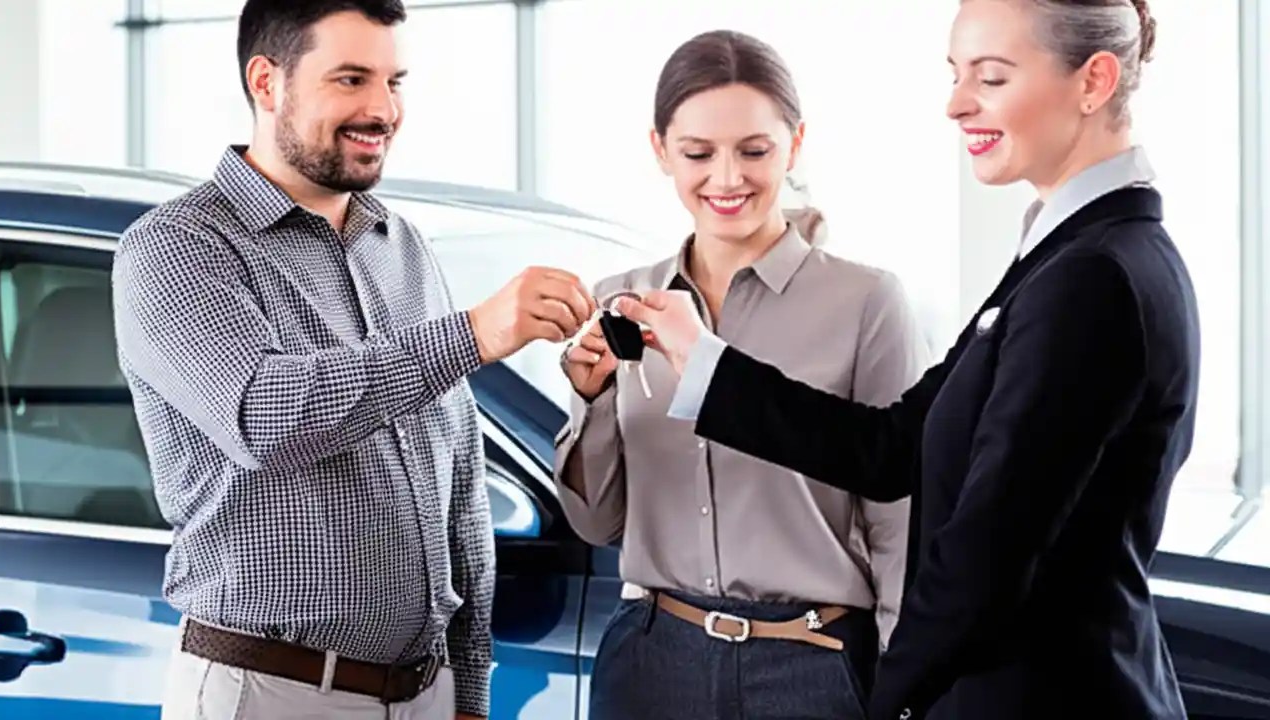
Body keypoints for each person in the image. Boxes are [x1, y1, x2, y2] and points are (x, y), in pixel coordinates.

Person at [618, 2, 1196, 719]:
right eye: (957, 75)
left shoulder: (1092, 276)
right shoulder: (1067, 255)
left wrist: (884, 699)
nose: (957, 104)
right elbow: (891, 447)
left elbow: (985, 556)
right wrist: (701, 358)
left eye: (991, 77)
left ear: (1094, 81)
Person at [111, 2, 594, 718]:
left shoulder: (401, 245)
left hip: (425, 692)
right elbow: (266, 419)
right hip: (270, 692)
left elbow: (459, 474)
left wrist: (469, 684)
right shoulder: (176, 247)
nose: (384, 110)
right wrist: (471, 335)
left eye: (394, 81)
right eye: (351, 79)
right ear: (267, 82)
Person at [554, 29, 928, 720]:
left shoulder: (866, 302)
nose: (727, 179)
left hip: (813, 667)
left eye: (754, 151)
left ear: (796, 142)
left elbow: (901, 521)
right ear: (660, 150)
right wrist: (592, 399)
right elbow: (596, 522)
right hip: (651, 662)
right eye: (698, 153)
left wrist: (906, 689)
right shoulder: (622, 299)